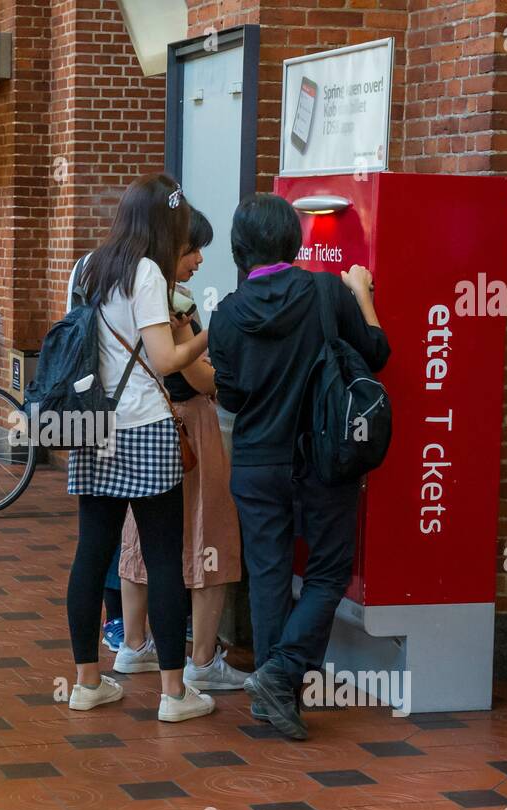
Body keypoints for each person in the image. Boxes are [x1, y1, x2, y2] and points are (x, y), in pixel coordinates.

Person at [209, 194, 390, 740]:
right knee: (329, 570)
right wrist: (363, 294)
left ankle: (273, 691)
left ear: (240, 250)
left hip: (257, 465)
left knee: (267, 576)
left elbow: (234, 400)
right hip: (323, 458)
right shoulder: (326, 292)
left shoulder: (226, 317)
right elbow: (376, 355)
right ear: (295, 242)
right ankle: (282, 677)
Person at [63, 172, 214, 723]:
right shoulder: (146, 271)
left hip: (91, 427)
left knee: (91, 554)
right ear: (162, 221)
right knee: (162, 558)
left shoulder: (88, 266)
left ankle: (85, 682)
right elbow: (165, 360)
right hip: (144, 429)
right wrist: (205, 334)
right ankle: (175, 695)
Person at [116, 208, 247, 691]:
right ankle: (203, 661)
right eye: (193, 249)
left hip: (144, 422)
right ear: (171, 246)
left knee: (141, 533)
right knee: (208, 529)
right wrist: (219, 353)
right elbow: (197, 376)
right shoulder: (174, 304)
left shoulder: (122, 283)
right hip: (186, 424)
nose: (197, 261)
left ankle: (133, 646)